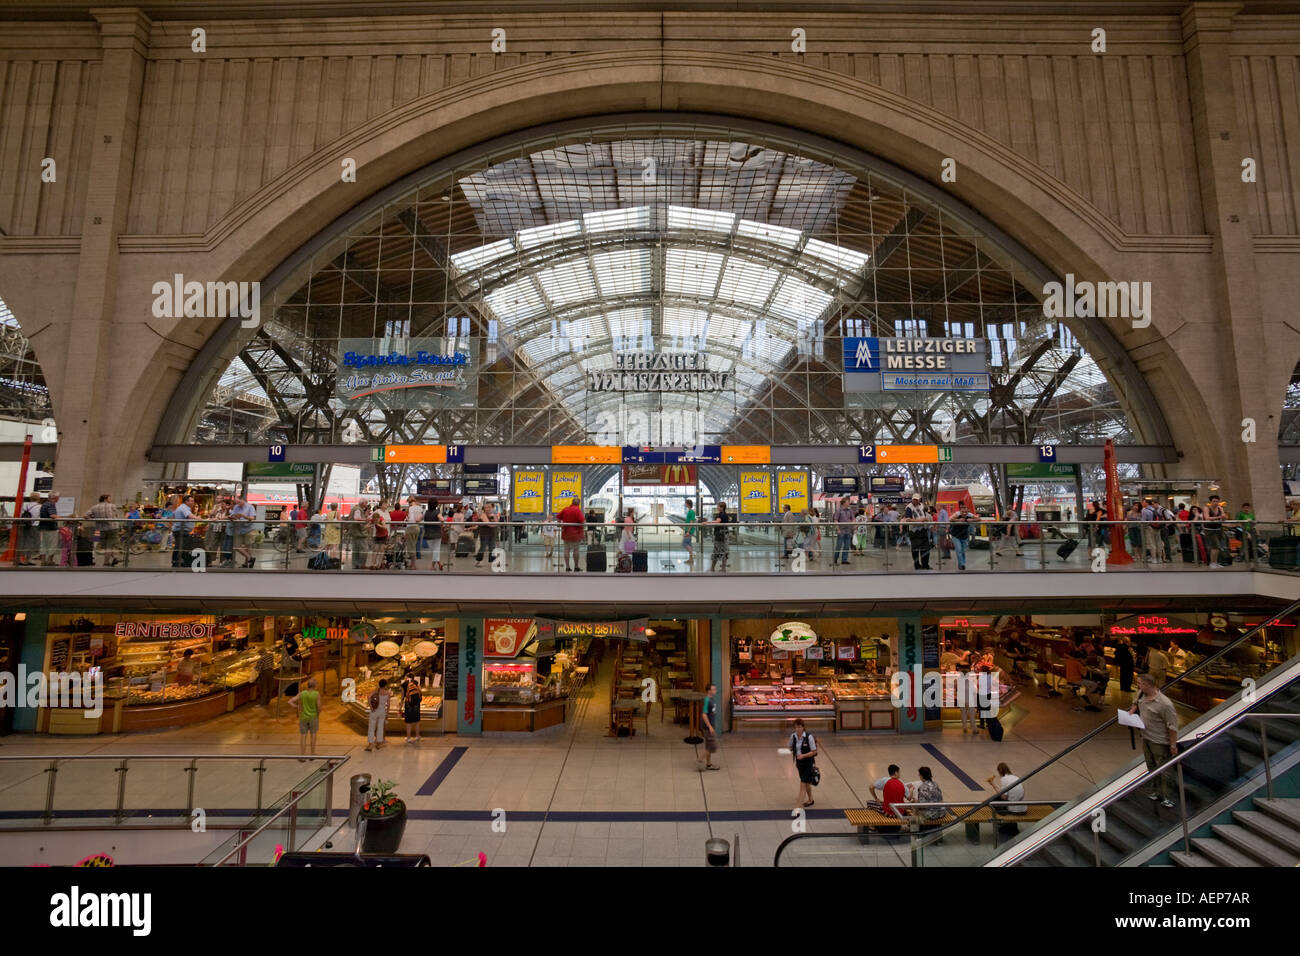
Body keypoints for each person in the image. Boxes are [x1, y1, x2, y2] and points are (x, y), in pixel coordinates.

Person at [1129, 672, 1180, 808]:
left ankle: (1168, 796)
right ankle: (1156, 791)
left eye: (1139, 683)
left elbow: (1172, 726)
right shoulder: (1141, 694)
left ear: (1147, 685)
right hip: (1146, 738)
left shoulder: (1165, 704)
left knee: (1164, 769)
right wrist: (1131, 713)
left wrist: (1173, 744)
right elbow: (1136, 703)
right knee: (1151, 766)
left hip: (1159, 741)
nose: (1138, 685)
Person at [988, 762, 1027, 835]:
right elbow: (1023, 790)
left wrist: (993, 785)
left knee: (995, 800)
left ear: (1000, 771)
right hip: (1023, 808)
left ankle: (1002, 824)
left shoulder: (1004, 779)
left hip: (1014, 810)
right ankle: (1010, 827)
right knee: (998, 798)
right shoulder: (1016, 777)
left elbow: (1003, 796)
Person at [84, 494, 120, 566]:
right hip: (112, 528)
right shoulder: (112, 506)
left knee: (104, 546)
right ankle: (106, 562)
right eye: (109, 498)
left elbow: (85, 516)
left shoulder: (94, 507)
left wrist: (94, 517)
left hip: (100, 529)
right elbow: (117, 516)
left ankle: (114, 558)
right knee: (110, 546)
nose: (110, 500)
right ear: (105, 499)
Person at [789, 717, 818, 808]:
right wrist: (794, 750)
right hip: (799, 764)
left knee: (802, 785)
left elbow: (814, 751)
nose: (798, 729)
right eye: (796, 727)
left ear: (803, 727)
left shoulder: (809, 737)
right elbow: (790, 747)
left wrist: (803, 755)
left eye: (800, 727)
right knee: (806, 783)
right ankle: (811, 800)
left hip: (809, 763)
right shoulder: (793, 736)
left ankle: (798, 807)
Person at [289, 677, 321, 756]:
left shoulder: (302, 693)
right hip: (313, 717)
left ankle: (302, 755)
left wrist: (298, 707)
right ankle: (312, 753)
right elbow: (319, 707)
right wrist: (317, 714)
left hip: (303, 717)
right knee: (313, 735)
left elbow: (290, 702)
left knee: (303, 736)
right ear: (315, 686)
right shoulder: (316, 694)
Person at [903, 494, 932, 570]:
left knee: (925, 549)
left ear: (919, 500)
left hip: (923, 530)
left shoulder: (922, 505)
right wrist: (920, 520)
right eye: (913, 499)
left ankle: (925, 564)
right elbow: (908, 520)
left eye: (916, 499)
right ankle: (917, 565)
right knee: (915, 550)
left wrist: (927, 521)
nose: (914, 501)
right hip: (914, 531)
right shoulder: (909, 508)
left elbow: (926, 516)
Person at [558, 497, 585, 572]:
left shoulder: (565, 509)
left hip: (566, 533)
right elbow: (582, 522)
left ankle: (567, 567)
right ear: (579, 503)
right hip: (576, 534)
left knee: (566, 550)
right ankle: (576, 566)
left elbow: (558, 517)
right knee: (576, 550)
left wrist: (559, 524)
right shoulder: (577, 510)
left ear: (572, 502)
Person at [229, 494, 257, 568]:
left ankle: (247, 563)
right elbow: (232, 515)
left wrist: (243, 516)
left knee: (248, 548)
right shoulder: (236, 507)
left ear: (242, 500)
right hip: (239, 529)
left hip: (249, 529)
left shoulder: (250, 507)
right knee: (236, 546)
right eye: (236, 502)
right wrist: (232, 517)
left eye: (238, 502)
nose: (237, 504)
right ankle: (250, 558)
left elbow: (252, 518)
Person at [365, 678, 391, 751]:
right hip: (382, 711)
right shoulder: (387, 693)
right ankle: (379, 744)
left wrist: (371, 707)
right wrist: (387, 714)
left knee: (371, 728)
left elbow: (368, 697)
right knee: (380, 728)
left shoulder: (376, 691)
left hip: (374, 711)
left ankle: (370, 744)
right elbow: (388, 705)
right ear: (385, 685)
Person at [170, 495, 196, 568]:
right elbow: (189, 516)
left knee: (181, 546)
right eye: (191, 501)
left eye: (193, 501)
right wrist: (198, 518)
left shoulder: (183, 507)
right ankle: (176, 562)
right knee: (180, 546)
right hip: (181, 530)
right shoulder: (184, 508)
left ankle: (179, 561)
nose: (193, 502)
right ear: (186, 501)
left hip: (182, 530)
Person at [710, 501, 735, 572]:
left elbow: (717, 522)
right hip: (724, 535)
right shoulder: (724, 514)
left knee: (716, 551)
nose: (717, 507)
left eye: (718, 506)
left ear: (722, 507)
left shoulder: (721, 514)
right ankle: (723, 568)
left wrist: (707, 522)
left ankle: (712, 568)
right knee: (724, 551)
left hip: (720, 536)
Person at [700, 682, 720, 770]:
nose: (715, 690)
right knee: (712, 746)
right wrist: (710, 726)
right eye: (713, 689)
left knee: (708, 746)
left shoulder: (712, 699)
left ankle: (709, 764)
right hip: (708, 728)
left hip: (711, 726)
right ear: (709, 691)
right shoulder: (707, 700)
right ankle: (700, 759)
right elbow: (704, 715)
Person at [949, 503, 975, 570]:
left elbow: (979, 519)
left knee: (963, 551)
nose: (964, 513)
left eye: (965, 512)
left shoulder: (970, 515)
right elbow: (950, 519)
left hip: (964, 536)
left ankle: (961, 563)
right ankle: (962, 564)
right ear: (960, 511)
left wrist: (972, 520)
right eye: (962, 512)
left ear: (968, 511)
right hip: (956, 535)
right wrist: (958, 520)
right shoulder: (957, 514)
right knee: (959, 550)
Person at [1203, 495, 1227, 565]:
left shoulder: (1220, 508)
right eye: (1214, 501)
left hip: (1218, 529)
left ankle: (1215, 562)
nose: (1215, 503)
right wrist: (1219, 517)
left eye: (1217, 501)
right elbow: (1207, 517)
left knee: (1217, 547)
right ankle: (1212, 563)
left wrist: (1223, 515)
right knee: (1215, 546)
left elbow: (1224, 518)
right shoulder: (1206, 508)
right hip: (1209, 529)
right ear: (1210, 502)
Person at [37, 493, 60, 566]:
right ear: (55, 498)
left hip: (43, 527)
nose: (58, 499)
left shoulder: (44, 504)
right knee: (52, 544)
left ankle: (43, 561)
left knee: (43, 544)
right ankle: (50, 560)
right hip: (50, 527)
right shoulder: (51, 504)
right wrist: (62, 517)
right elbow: (52, 515)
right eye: (58, 497)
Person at [833, 498, 854, 566]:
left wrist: (853, 524)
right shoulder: (839, 510)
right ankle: (835, 559)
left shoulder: (850, 510)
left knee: (847, 546)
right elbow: (836, 520)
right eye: (848, 502)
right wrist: (838, 529)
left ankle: (844, 560)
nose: (849, 503)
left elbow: (853, 518)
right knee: (839, 546)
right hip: (841, 531)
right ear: (843, 503)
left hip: (848, 531)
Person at [402, 676, 422, 743]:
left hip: (408, 706)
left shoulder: (404, 684)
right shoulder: (416, 683)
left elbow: (402, 697)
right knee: (417, 721)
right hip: (416, 705)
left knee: (408, 722)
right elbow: (420, 693)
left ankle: (409, 738)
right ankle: (417, 736)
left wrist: (400, 707)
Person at [426, 504, 445, 571]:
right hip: (436, 533)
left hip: (428, 534)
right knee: (436, 549)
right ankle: (436, 565)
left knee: (434, 550)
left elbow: (418, 519)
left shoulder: (426, 512)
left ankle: (435, 565)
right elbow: (442, 519)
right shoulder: (437, 512)